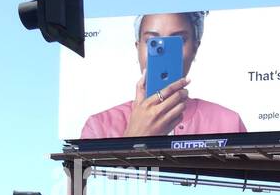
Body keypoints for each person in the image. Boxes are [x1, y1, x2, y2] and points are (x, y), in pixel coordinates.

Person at [81, 11, 247, 139]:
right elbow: (92, 183)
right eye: (152, 42)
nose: (165, 52)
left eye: (178, 41)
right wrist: (134, 137)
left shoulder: (229, 122)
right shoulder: (98, 126)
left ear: (195, 48)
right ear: (138, 48)